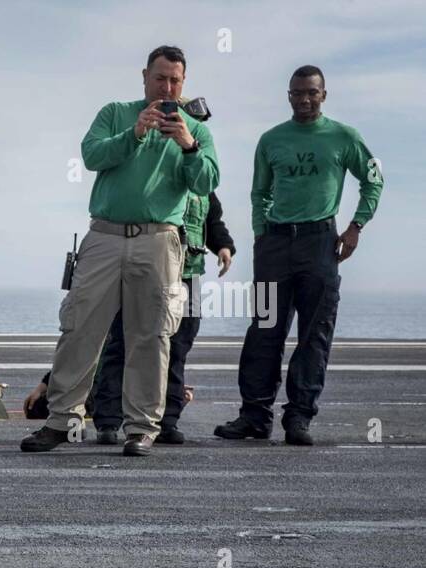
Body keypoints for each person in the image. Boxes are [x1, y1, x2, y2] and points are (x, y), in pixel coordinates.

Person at [22, 45, 218, 457]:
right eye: (160, 77)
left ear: (184, 83)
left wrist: (187, 145)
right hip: (105, 235)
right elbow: (91, 155)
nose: (167, 87)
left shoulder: (195, 128)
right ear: (144, 76)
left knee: (152, 336)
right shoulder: (114, 113)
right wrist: (134, 134)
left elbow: (205, 182)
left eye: (175, 80)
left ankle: (142, 428)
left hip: (160, 237)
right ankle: (61, 421)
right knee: (80, 329)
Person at [215, 65, 384, 446]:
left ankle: (299, 417)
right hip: (274, 246)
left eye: (311, 92)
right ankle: (254, 416)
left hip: (319, 243)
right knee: (263, 329)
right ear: (288, 95)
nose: (304, 99)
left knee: (314, 333)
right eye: (297, 93)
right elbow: (260, 193)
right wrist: (261, 234)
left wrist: (356, 226)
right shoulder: (271, 139)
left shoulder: (343, 137)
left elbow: (374, 178)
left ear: (324, 94)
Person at [88, 98, 235, 444]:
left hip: (189, 270)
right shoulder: (160, 168)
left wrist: (225, 246)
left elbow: (214, 219)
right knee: (122, 342)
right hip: (153, 264)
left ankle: (166, 419)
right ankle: (108, 419)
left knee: (176, 346)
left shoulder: (198, 175)